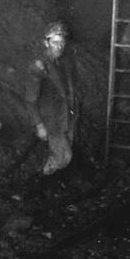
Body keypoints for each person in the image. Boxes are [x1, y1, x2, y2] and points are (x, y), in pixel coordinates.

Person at [23, 19, 78, 175]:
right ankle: (43, 177)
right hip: (52, 120)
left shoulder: (62, 61)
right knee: (64, 156)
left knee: (65, 152)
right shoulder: (38, 66)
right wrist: (39, 124)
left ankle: (54, 177)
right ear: (46, 43)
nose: (59, 46)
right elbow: (30, 99)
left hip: (65, 116)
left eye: (61, 42)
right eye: (54, 42)